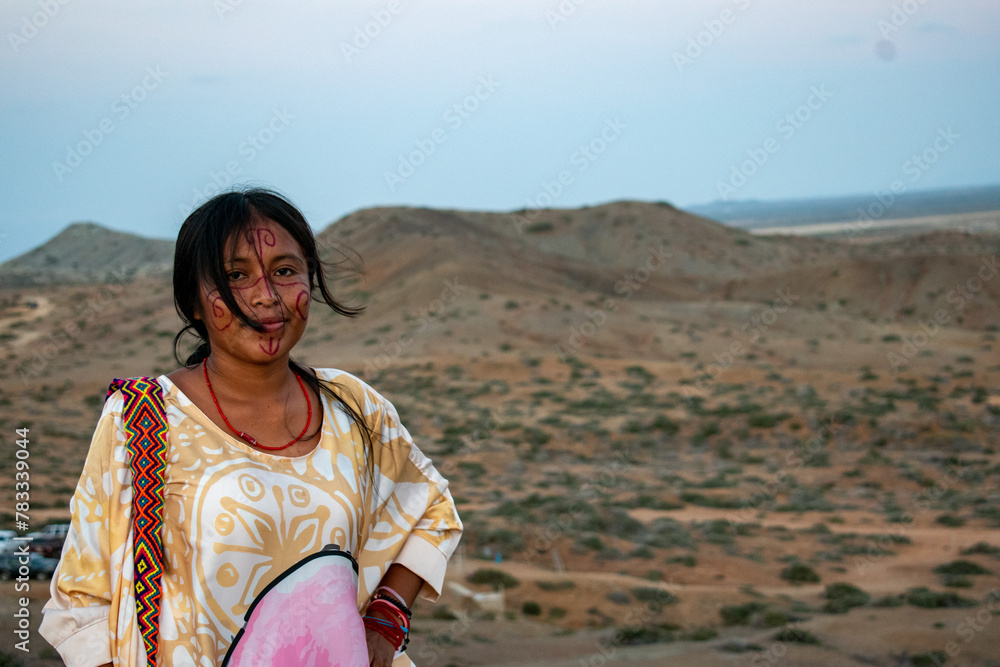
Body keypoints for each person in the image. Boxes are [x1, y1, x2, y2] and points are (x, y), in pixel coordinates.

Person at [39, 188, 463, 666]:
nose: (266, 296)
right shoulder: (141, 420)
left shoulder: (355, 407)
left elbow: (430, 508)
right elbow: (83, 600)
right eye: (235, 276)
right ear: (193, 300)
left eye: (284, 271)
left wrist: (386, 620)